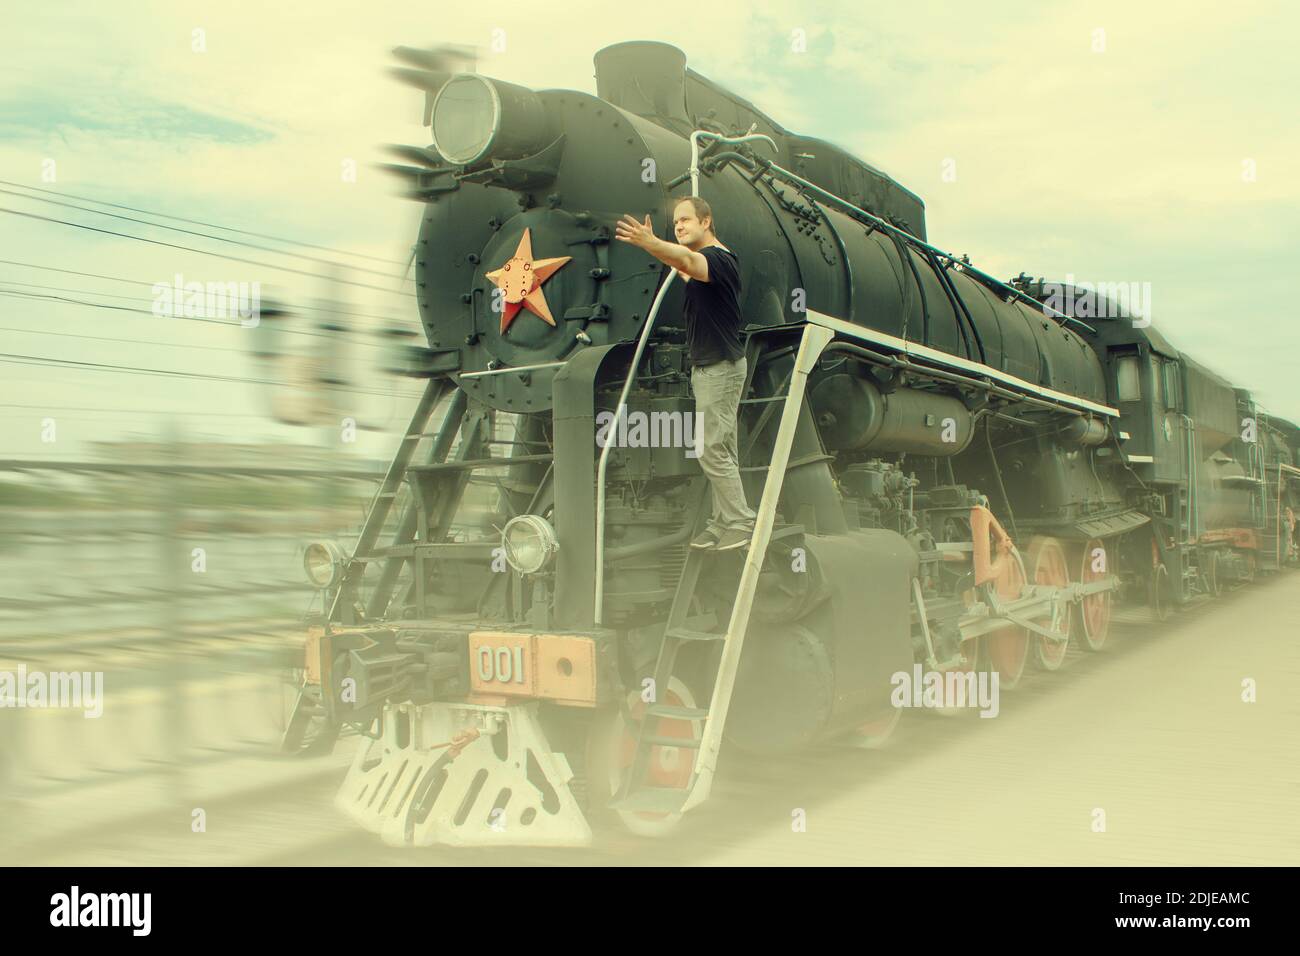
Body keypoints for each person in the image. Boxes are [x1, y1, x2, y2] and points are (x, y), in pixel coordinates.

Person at [614, 197, 756, 552]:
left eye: (686, 220)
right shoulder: (700, 264)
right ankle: (721, 521)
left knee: (709, 449)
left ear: (706, 221)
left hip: (720, 368)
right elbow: (681, 262)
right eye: (676, 222)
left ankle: (741, 521)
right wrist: (659, 248)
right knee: (722, 448)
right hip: (710, 367)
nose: (679, 226)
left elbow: (688, 260)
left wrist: (650, 243)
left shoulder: (718, 260)